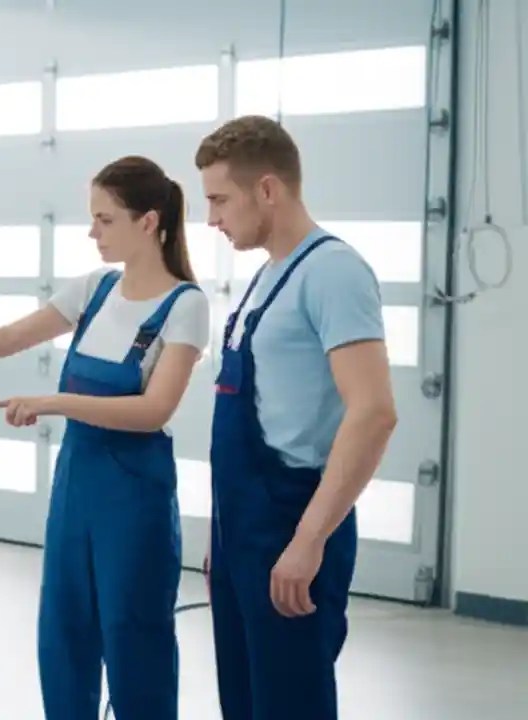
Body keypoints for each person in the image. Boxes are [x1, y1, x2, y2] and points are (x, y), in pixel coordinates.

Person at [0, 155, 210, 720]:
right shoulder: (95, 290)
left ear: (147, 222)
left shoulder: (185, 305)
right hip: (77, 487)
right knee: (65, 628)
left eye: (105, 219)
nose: (92, 232)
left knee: (134, 635)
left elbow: (153, 410)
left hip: (136, 498)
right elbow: (8, 337)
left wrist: (51, 403)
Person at [194, 115, 398, 720]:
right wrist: (222, 539)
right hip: (241, 534)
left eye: (219, 200)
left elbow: (374, 412)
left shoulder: (333, 272)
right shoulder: (263, 279)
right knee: (246, 701)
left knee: (291, 705)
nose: (211, 219)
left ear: (266, 189)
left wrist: (309, 541)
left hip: (292, 524)